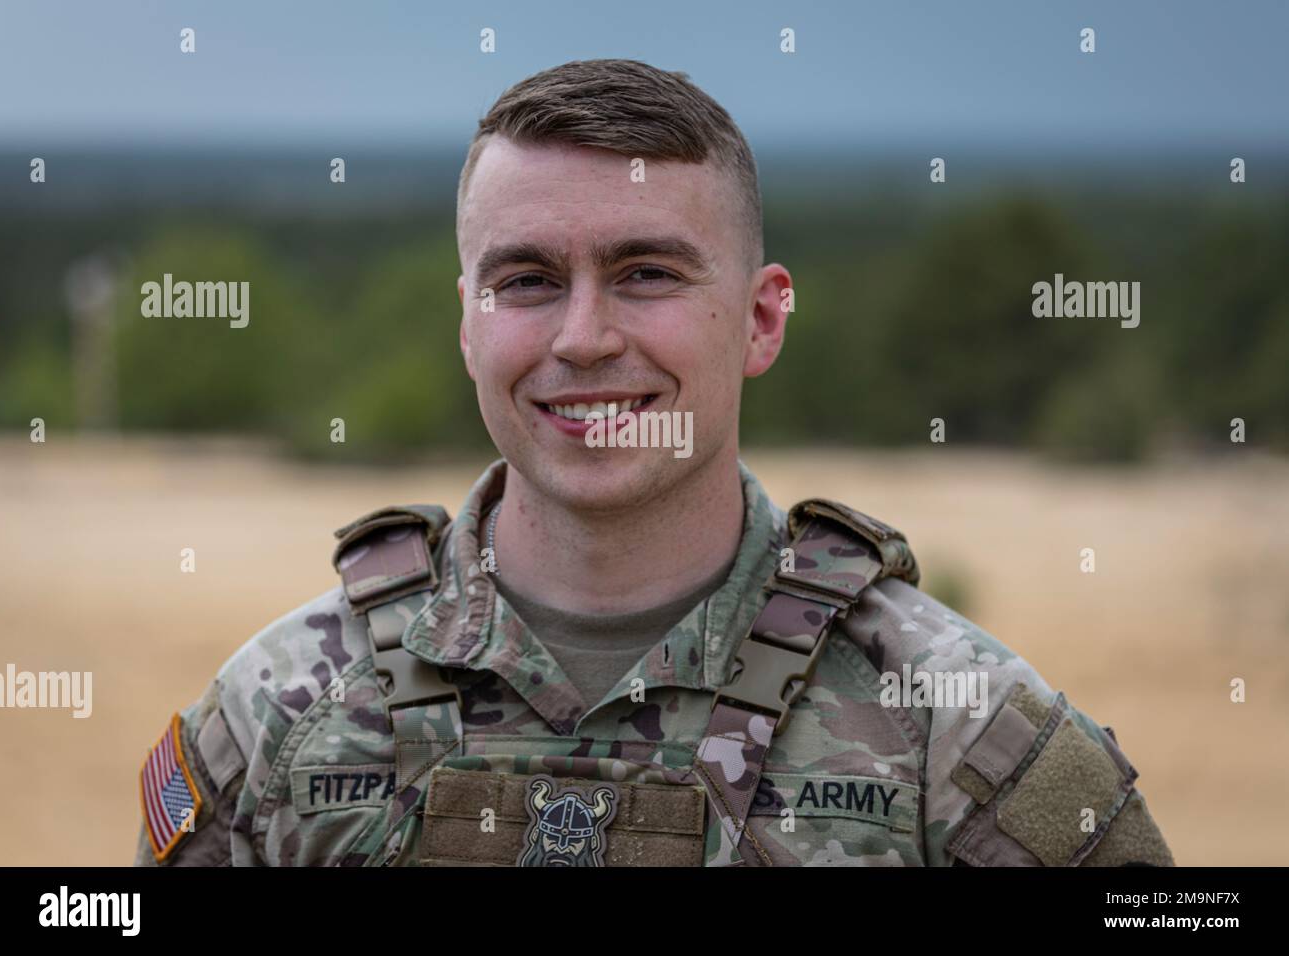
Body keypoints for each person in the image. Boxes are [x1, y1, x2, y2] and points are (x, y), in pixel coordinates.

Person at [136, 58, 1173, 867]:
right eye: (529, 279)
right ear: (467, 324)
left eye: (644, 273)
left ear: (762, 319)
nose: (583, 337)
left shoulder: (956, 722)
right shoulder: (280, 713)